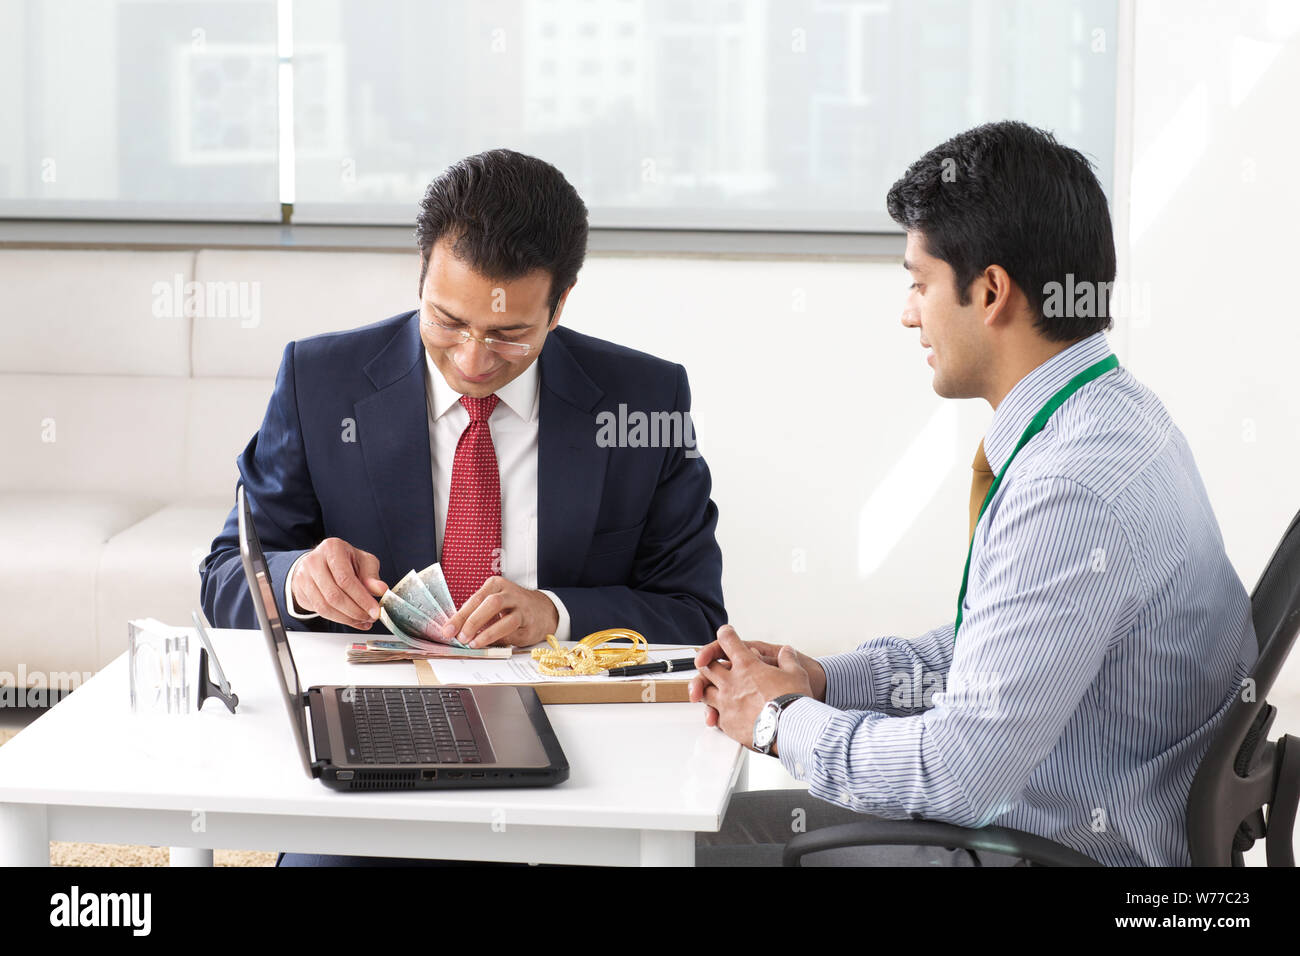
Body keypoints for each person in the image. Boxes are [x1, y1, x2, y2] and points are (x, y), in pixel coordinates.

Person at [691, 121, 1258, 867]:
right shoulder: (1118, 414)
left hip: (1043, 850)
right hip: (1059, 824)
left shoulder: (1070, 487)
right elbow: (989, 650)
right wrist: (823, 680)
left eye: (919, 283)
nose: (908, 312)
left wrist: (775, 722)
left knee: (688, 850)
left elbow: (959, 775)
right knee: (713, 828)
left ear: (990, 292)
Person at [198, 149, 727, 865]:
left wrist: (557, 615)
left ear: (560, 304)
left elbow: (694, 612)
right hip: (381, 758)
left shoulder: (643, 401)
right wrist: (298, 577)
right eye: (447, 320)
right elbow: (225, 577)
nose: (474, 359)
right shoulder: (319, 382)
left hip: (583, 763)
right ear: (421, 277)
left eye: (510, 333)